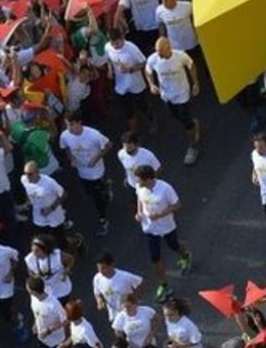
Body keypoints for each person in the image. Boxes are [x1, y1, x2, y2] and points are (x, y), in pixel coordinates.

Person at [134, 165, 191, 302]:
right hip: (150, 228)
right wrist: (139, 212)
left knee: (174, 246)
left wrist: (160, 214)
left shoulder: (165, 188)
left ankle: (185, 255)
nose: (137, 183)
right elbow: (139, 198)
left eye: (139, 180)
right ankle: (164, 285)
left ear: (148, 179)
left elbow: (177, 205)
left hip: (166, 226)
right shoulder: (140, 187)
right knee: (155, 257)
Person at [144, 37, 202, 165]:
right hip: (166, 95)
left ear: (168, 48)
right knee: (176, 116)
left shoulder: (180, 56)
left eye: (161, 51)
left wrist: (195, 83)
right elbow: (148, 70)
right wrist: (151, 84)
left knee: (185, 120)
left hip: (182, 94)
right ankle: (193, 124)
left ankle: (193, 145)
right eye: (157, 51)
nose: (158, 54)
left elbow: (191, 65)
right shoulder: (153, 59)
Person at [59, 112, 113, 235]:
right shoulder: (65, 136)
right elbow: (66, 148)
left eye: (72, 124)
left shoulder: (93, 134)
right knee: (89, 192)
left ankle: (103, 219)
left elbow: (109, 145)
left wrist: (96, 158)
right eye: (67, 125)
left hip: (95, 171)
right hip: (81, 170)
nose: (69, 128)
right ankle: (106, 187)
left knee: (96, 197)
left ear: (79, 122)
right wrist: (71, 158)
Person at [105, 28, 155, 134]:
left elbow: (143, 63)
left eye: (117, 43)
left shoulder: (131, 48)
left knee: (143, 106)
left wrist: (130, 69)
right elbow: (109, 60)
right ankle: (133, 132)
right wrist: (110, 70)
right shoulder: (108, 47)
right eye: (113, 43)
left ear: (122, 38)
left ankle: (152, 120)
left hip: (136, 84)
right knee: (127, 110)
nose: (115, 46)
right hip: (121, 85)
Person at [21, 161, 67, 244]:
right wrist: (28, 201)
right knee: (43, 240)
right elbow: (27, 191)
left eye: (30, 174)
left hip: (54, 215)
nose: (27, 177)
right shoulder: (24, 179)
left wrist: (51, 208)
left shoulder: (49, 182)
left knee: (60, 240)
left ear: (37, 172)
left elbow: (63, 194)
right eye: (26, 173)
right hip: (38, 215)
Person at [93, 251, 145, 323]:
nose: (100, 271)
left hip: (129, 313)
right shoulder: (97, 278)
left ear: (111, 264)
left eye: (103, 268)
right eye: (98, 268)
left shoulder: (125, 277)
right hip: (114, 316)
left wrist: (135, 299)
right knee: (118, 333)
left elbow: (140, 282)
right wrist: (99, 301)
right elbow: (97, 293)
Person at [24, 235, 75, 304]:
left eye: (37, 251)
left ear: (45, 249)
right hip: (45, 293)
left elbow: (71, 259)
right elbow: (30, 274)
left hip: (61, 289)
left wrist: (66, 271)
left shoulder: (57, 256)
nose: (34, 254)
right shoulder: (29, 259)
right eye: (32, 251)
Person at [26, 276, 68, 348]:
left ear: (34, 292)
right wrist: (35, 323)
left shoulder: (54, 304)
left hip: (55, 340)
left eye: (28, 288)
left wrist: (48, 331)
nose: (26, 289)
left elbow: (65, 321)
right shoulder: (33, 298)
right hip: (42, 338)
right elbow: (36, 312)